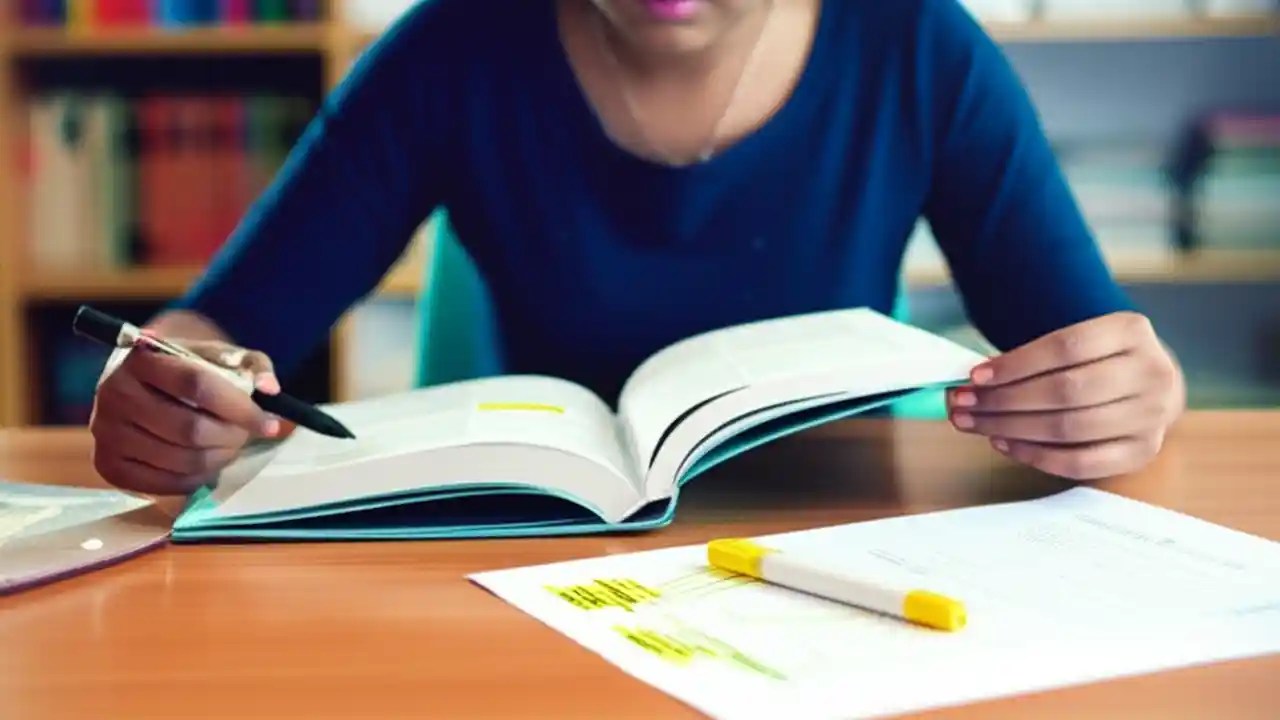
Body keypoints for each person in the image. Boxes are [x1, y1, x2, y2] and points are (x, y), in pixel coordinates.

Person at [88, 0, 1185, 496]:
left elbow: (1089, 347)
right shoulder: (451, 47)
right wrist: (165, 387)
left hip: (834, 539)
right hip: (531, 554)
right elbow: (219, 329)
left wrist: (1127, 393)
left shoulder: (916, 43)